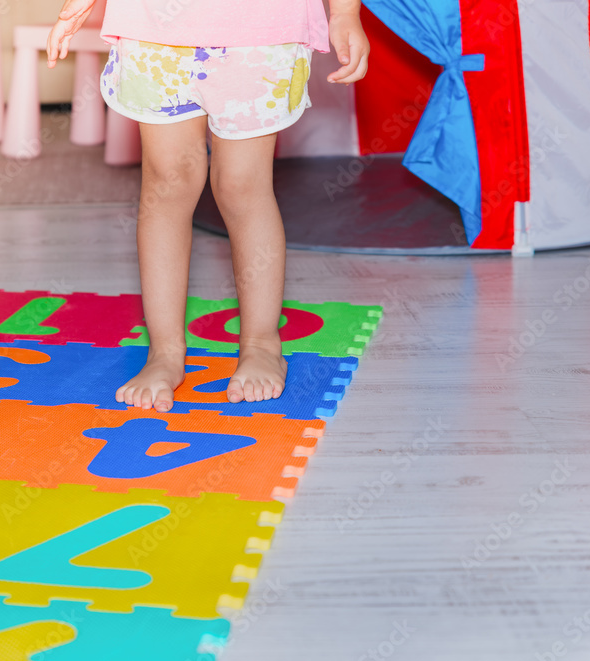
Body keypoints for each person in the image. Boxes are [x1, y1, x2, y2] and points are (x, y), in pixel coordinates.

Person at [47, 0, 369, 412]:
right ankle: (164, 350)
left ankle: (260, 343)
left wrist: (345, 13)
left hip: (260, 30)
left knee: (242, 186)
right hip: (155, 30)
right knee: (167, 184)